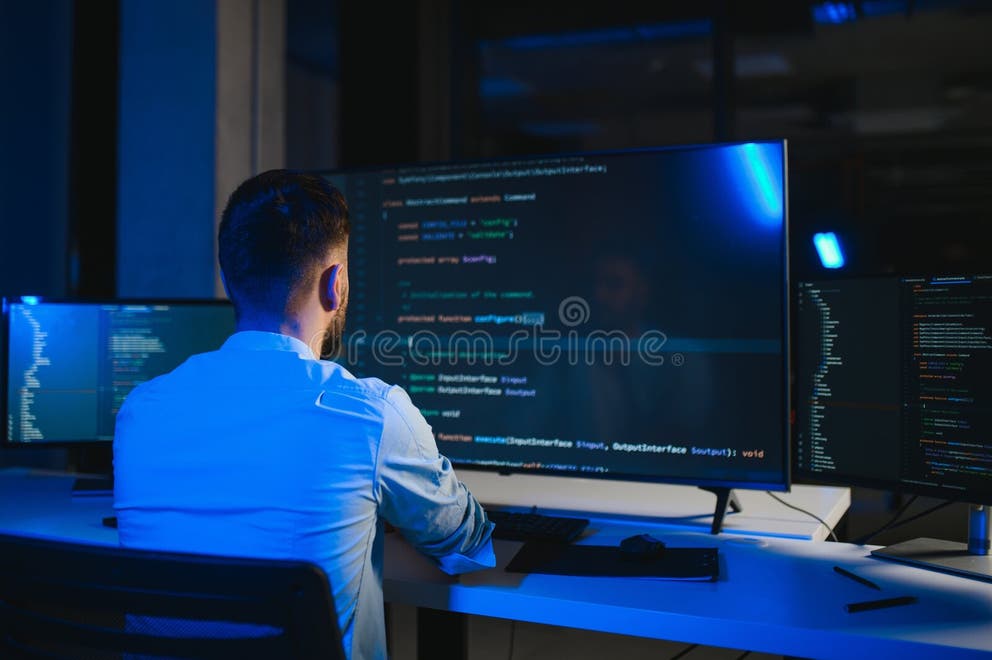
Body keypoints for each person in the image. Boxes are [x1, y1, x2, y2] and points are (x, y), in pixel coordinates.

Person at [113, 170, 495, 659]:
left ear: (228, 280)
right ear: (336, 284)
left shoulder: (140, 411)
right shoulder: (373, 415)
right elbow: (465, 544)